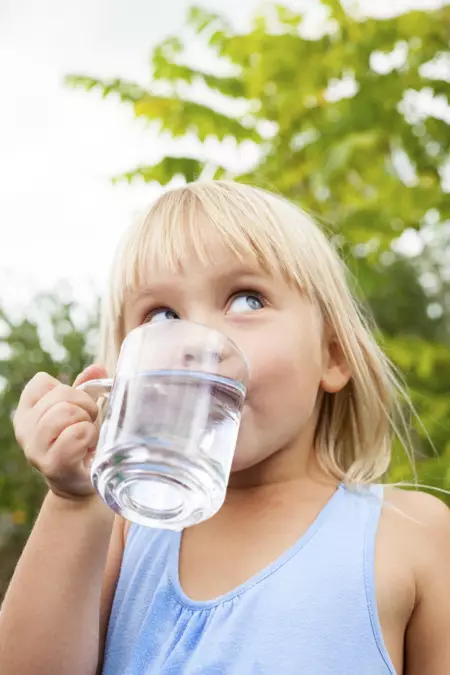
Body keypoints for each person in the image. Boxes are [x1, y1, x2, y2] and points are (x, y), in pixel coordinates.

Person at [1, 181, 449, 675]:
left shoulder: (413, 534)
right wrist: (71, 501)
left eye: (247, 300)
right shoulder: (127, 532)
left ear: (333, 354)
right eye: (163, 316)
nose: (201, 341)